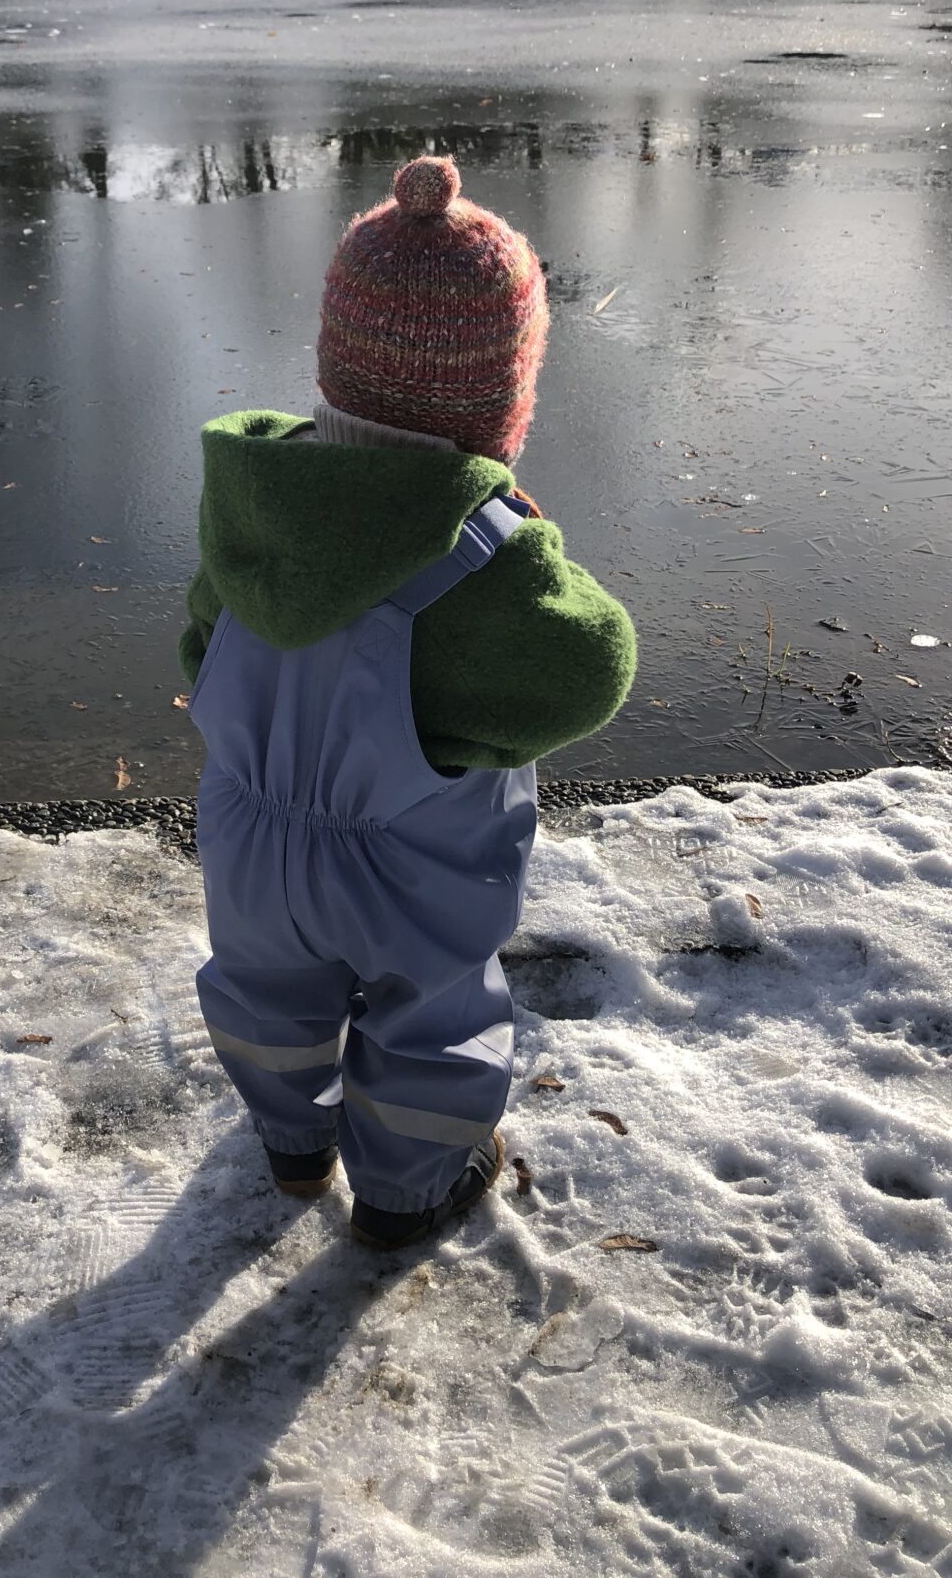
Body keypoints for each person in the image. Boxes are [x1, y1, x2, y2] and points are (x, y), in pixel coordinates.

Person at [179, 154, 636, 1249]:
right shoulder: (485, 566)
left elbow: (204, 646)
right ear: (502, 399)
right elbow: (593, 667)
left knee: (264, 992)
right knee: (431, 1019)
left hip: (248, 835)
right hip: (408, 869)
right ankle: (408, 1188)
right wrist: (529, 540)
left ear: (336, 359)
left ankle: (292, 1142)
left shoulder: (258, 507)